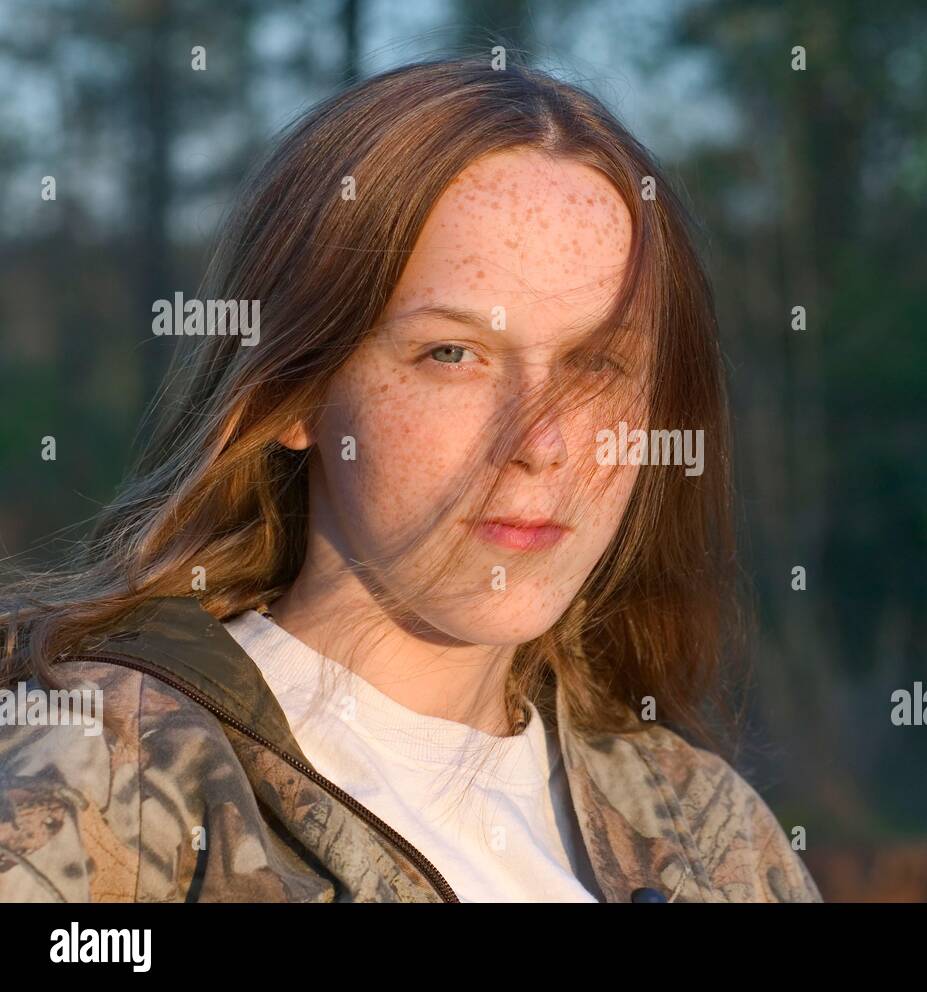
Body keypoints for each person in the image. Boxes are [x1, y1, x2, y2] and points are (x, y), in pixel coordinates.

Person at [0, 56, 822, 904]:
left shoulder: (709, 836)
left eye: (595, 364)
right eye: (452, 355)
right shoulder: (94, 792)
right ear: (298, 392)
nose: (540, 443)